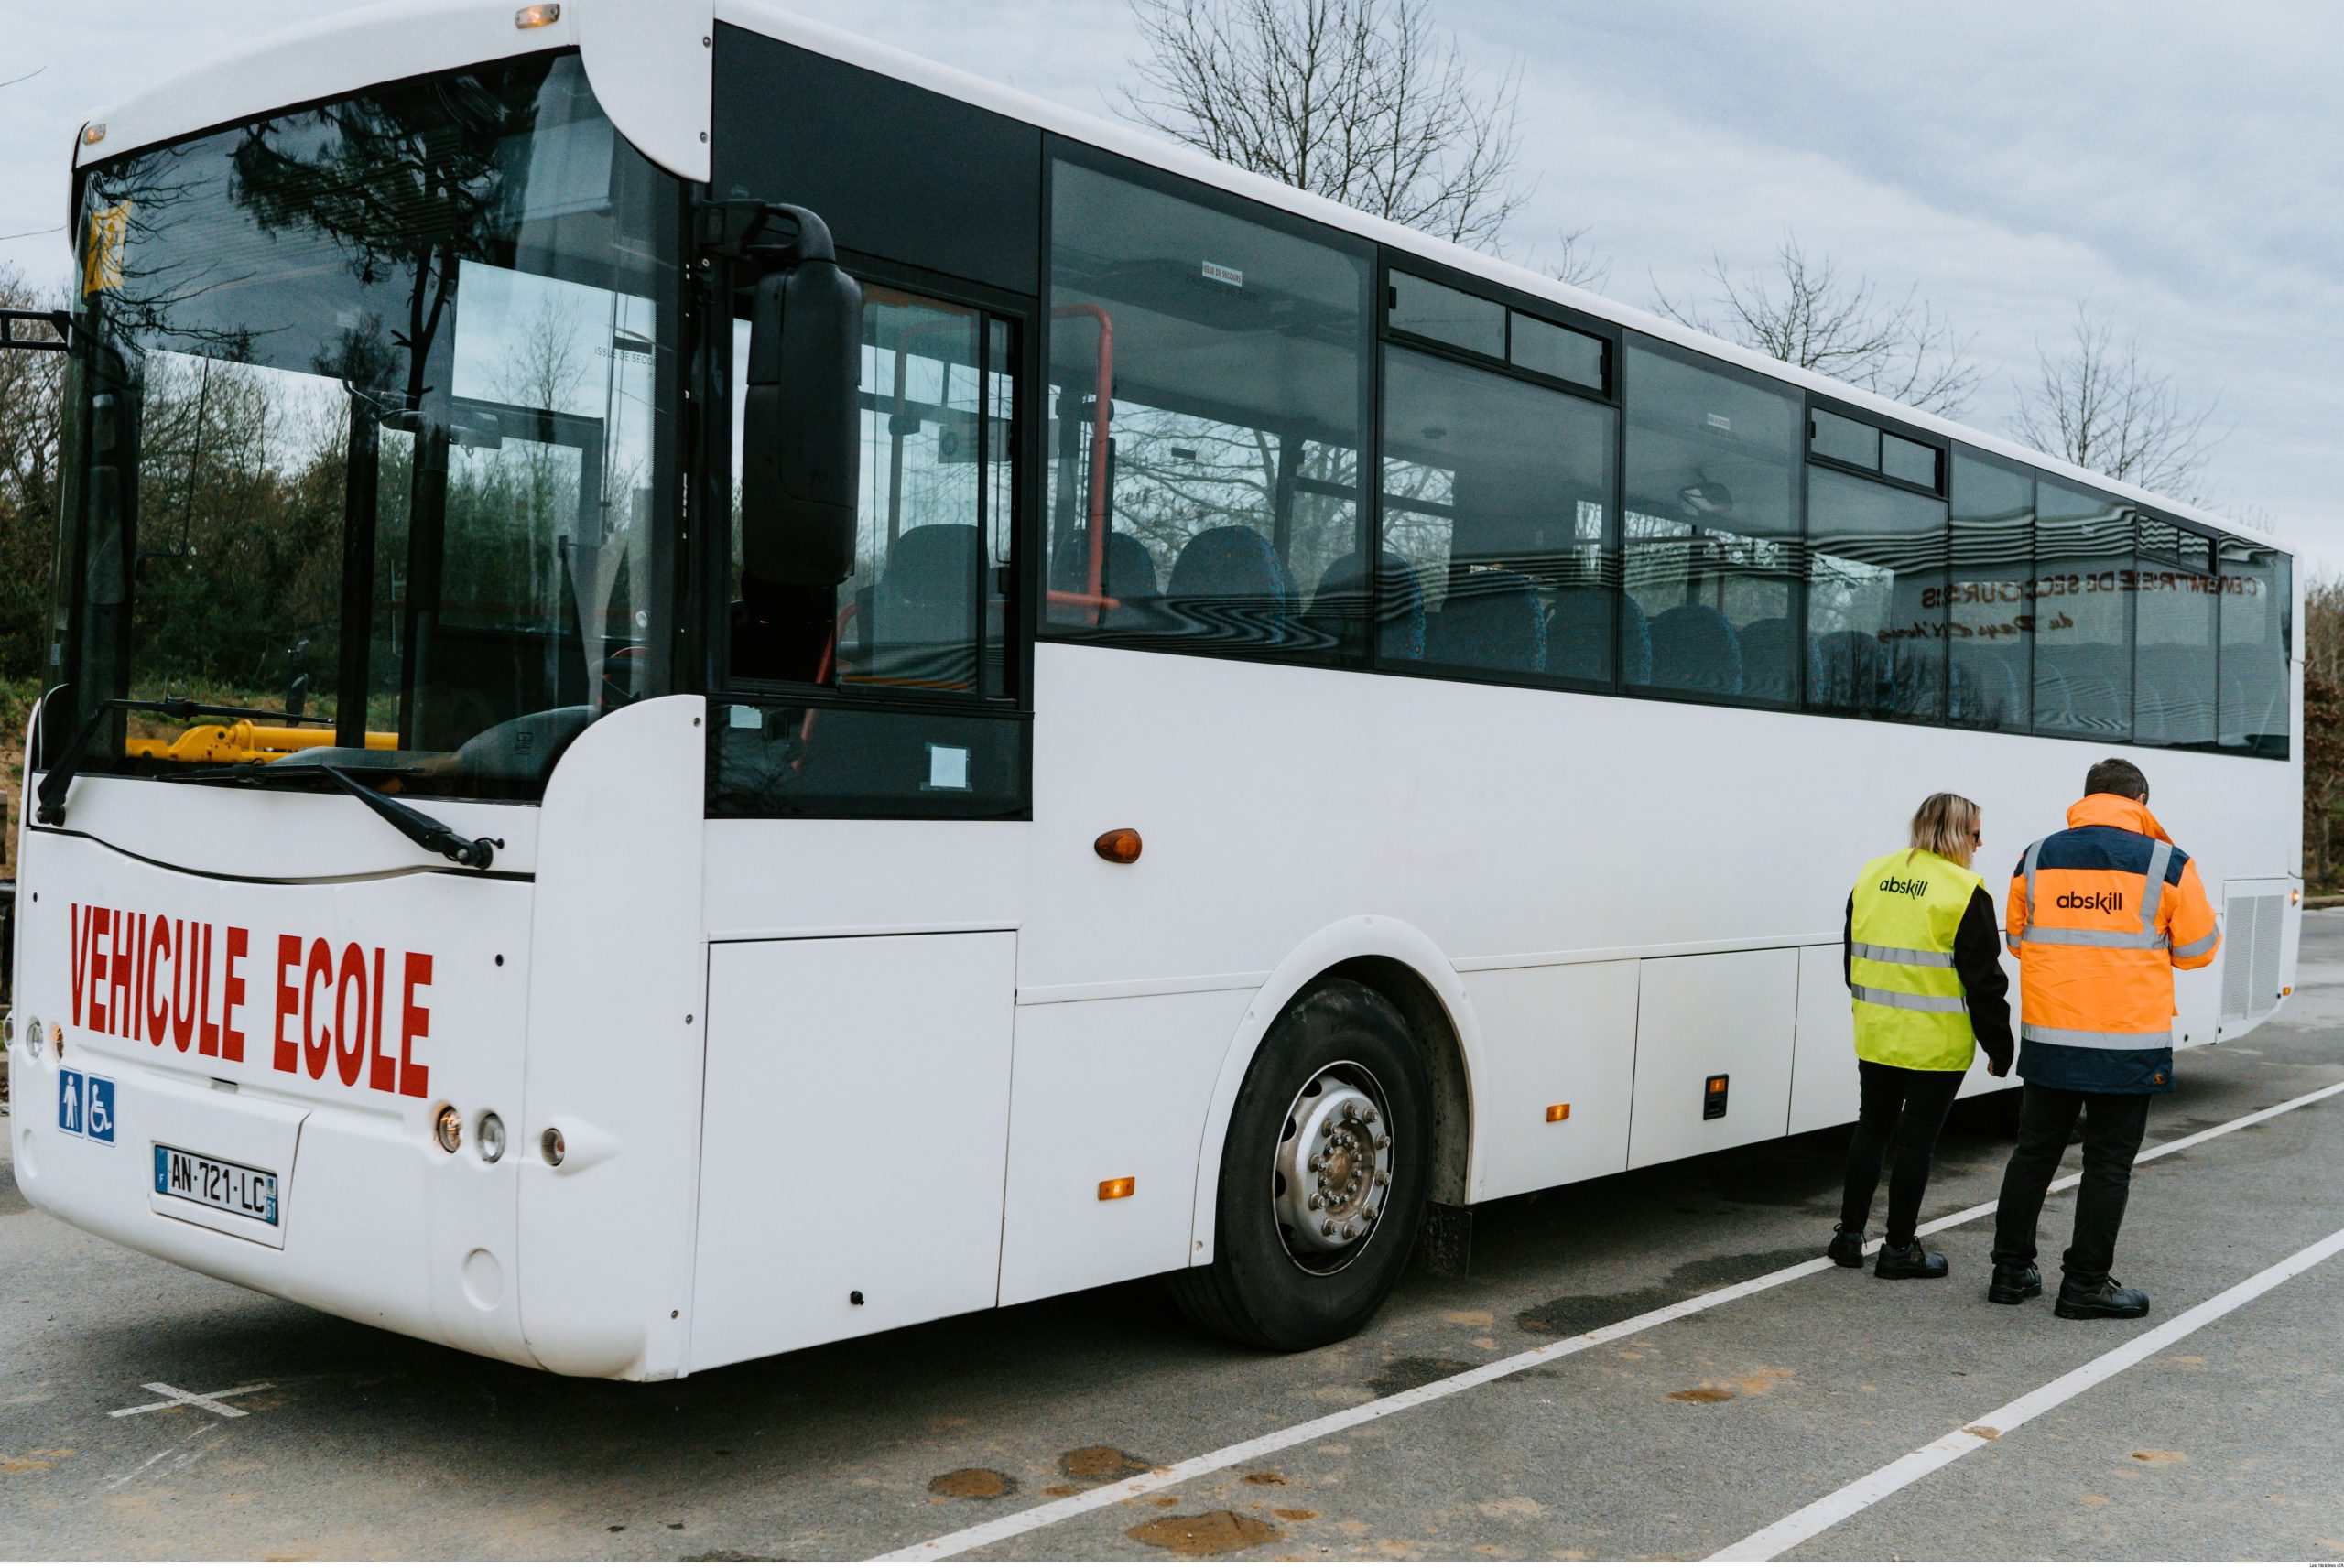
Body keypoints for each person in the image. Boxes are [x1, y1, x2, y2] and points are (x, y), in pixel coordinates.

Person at [1990, 757, 2220, 1319]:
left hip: (2051, 1036)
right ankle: (2085, 1286)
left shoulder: (2037, 856)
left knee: (2034, 1154)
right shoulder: (2167, 861)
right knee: (2108, 1165)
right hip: (2126, 1042)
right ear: (2140, 800)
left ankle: (2010, 1273)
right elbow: (2198, 952)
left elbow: (2019, 940)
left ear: (2087, 797)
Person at [1829, 792, 2013, 1279]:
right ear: (1959, 834)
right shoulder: (1964, 890)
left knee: (1871, 1129)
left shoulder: (1872, 874)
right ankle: (1898, 1249)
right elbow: (1984, 982)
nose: (1980, 843)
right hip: (1936, 1043)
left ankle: (1848, 1237)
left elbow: (1852, 957)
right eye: (1976, 833)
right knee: (1916, 1143)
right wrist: (2000, 1044)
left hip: (1876, 1031)